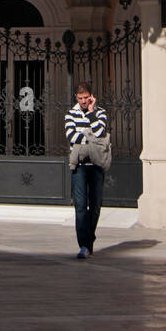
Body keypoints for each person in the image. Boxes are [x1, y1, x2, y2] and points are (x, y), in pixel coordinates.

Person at [64, 81, 108, 259]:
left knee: (95, 206)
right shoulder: (70, 114)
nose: (83, 101)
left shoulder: (100, 112)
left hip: (96, 165)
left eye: (86, 98)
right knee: (81, 206)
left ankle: (87, 241)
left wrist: (91, 114)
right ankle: (85, 245)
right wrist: (91, 140)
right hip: (80, 165)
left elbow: (100, 132)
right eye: (80, 98)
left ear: (91, 96)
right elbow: (71, 136)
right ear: (76, 97)